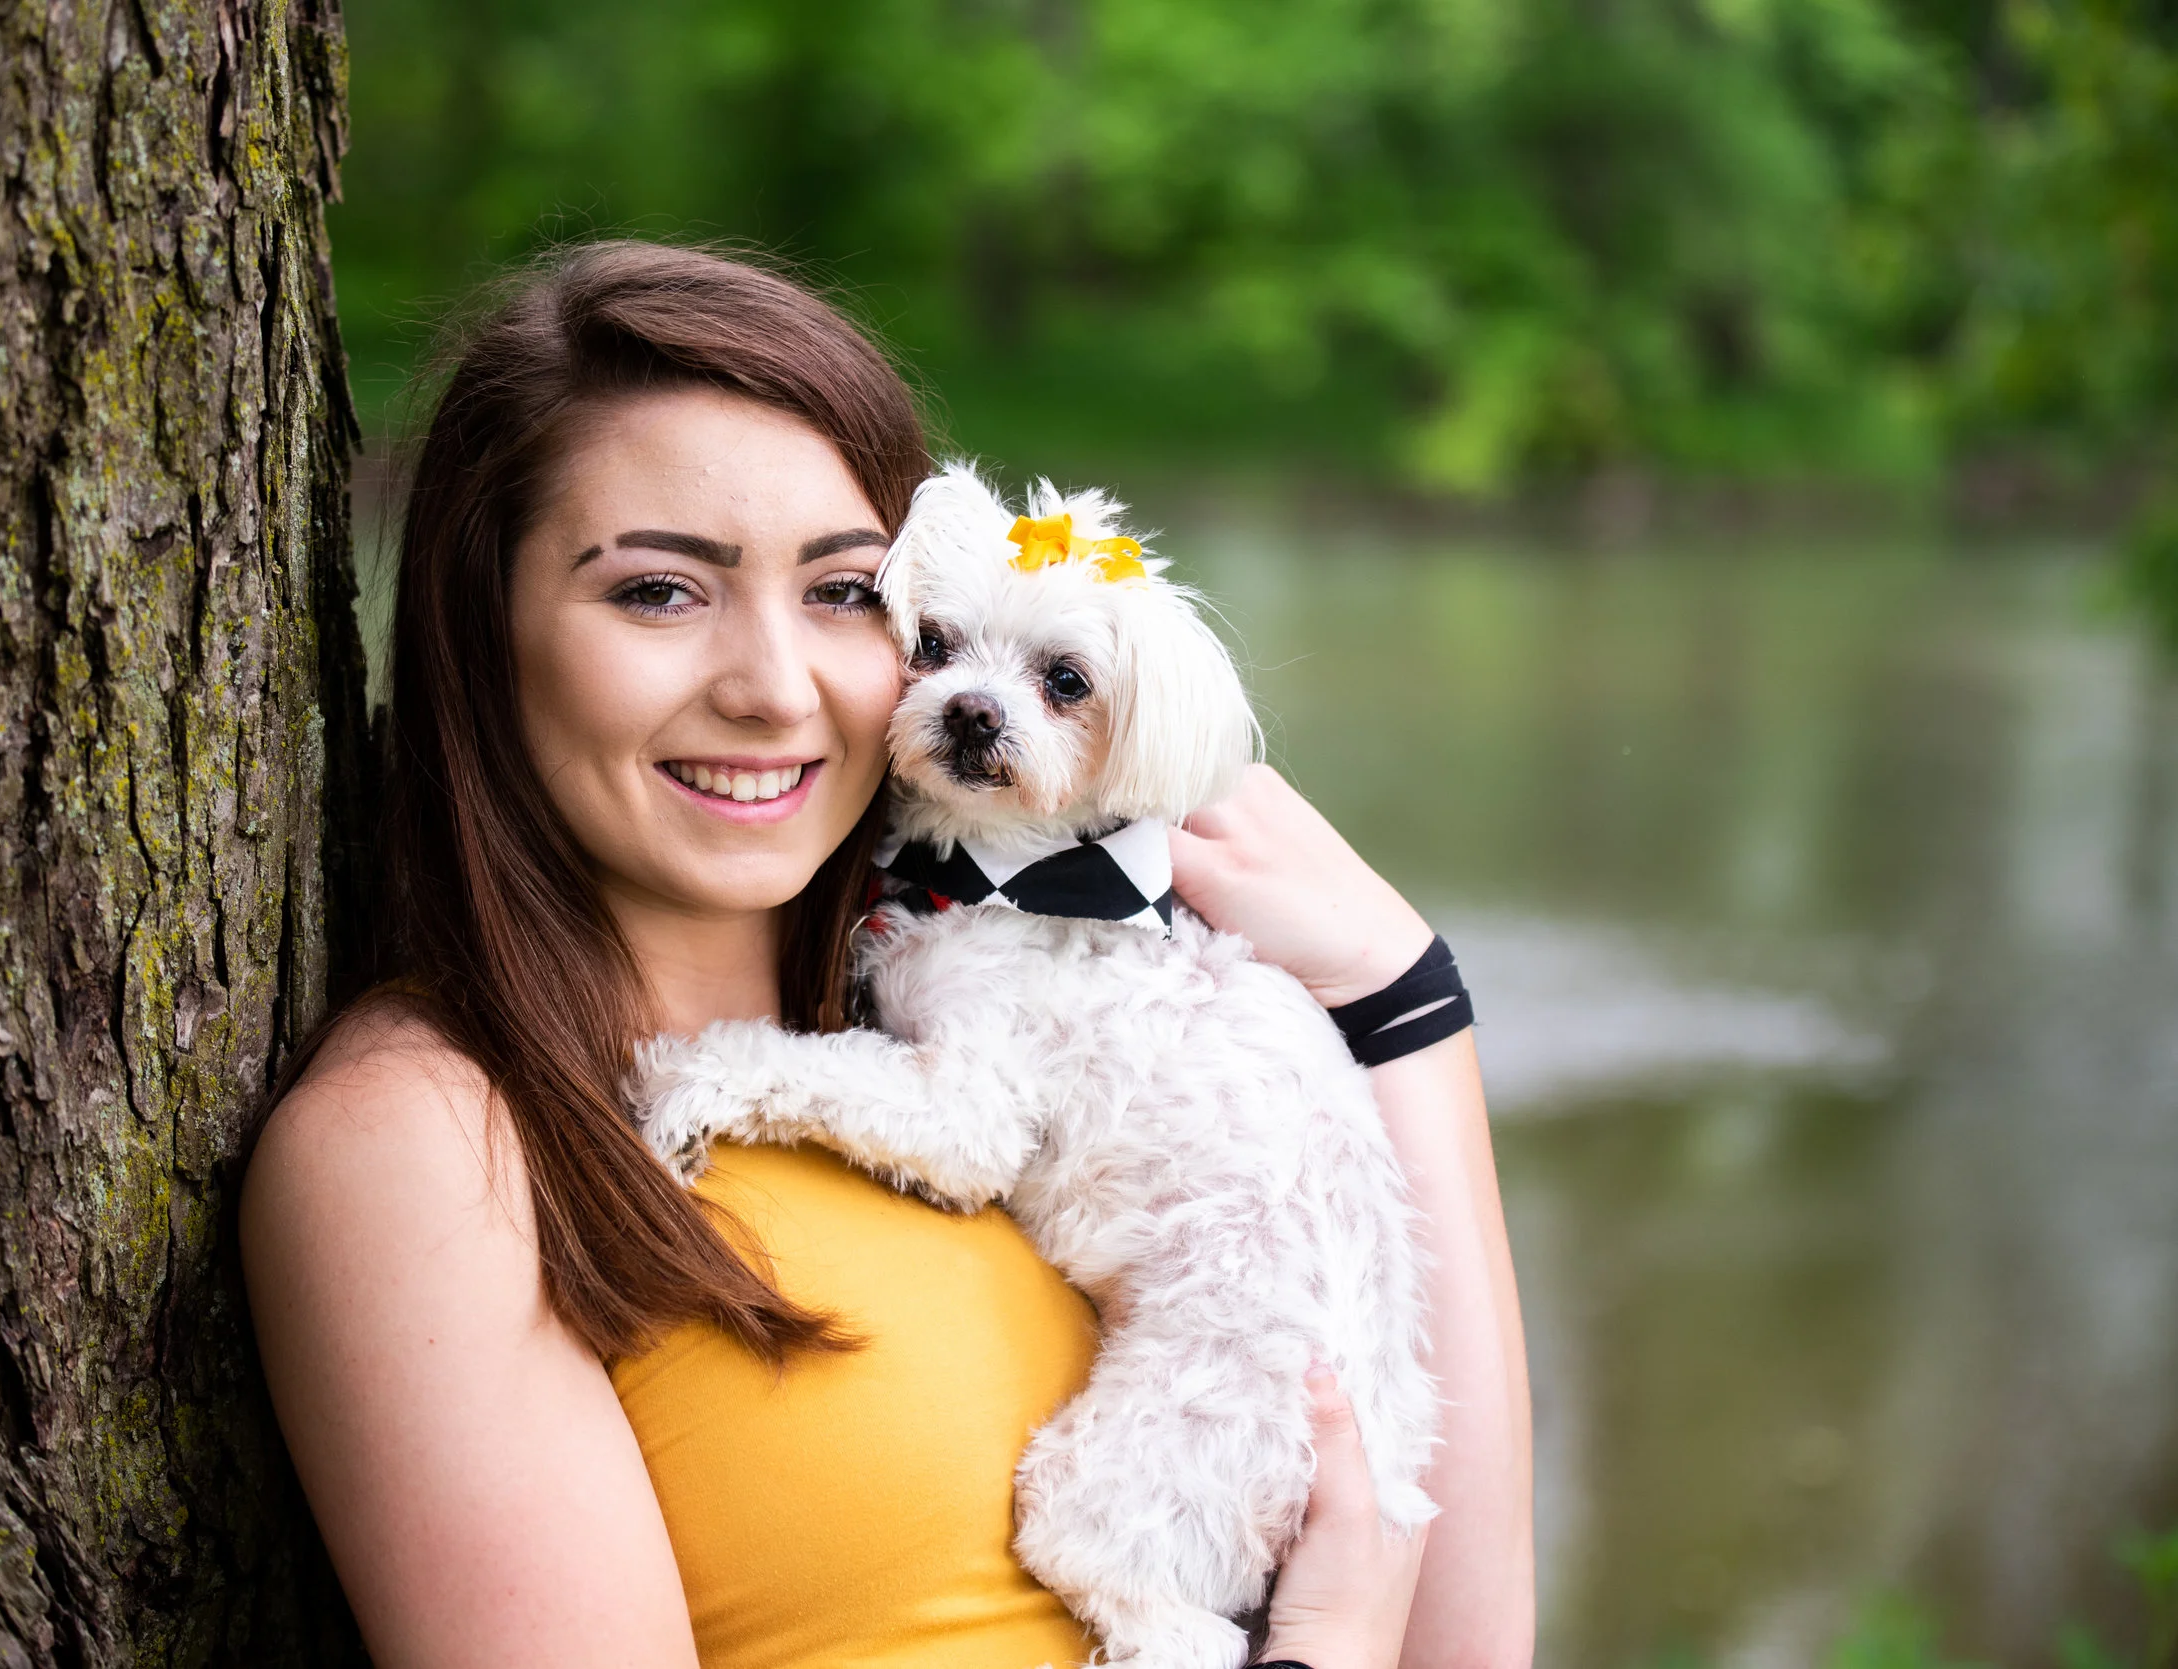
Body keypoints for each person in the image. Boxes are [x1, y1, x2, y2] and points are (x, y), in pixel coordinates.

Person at [241, 241, 1534, 1669]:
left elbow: (1455, 1630)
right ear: (486, 635)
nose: (772, 686)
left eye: (846, 593)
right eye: (659, 592)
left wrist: (1400, 1000)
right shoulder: (428, 1140)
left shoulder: (965, 1007)